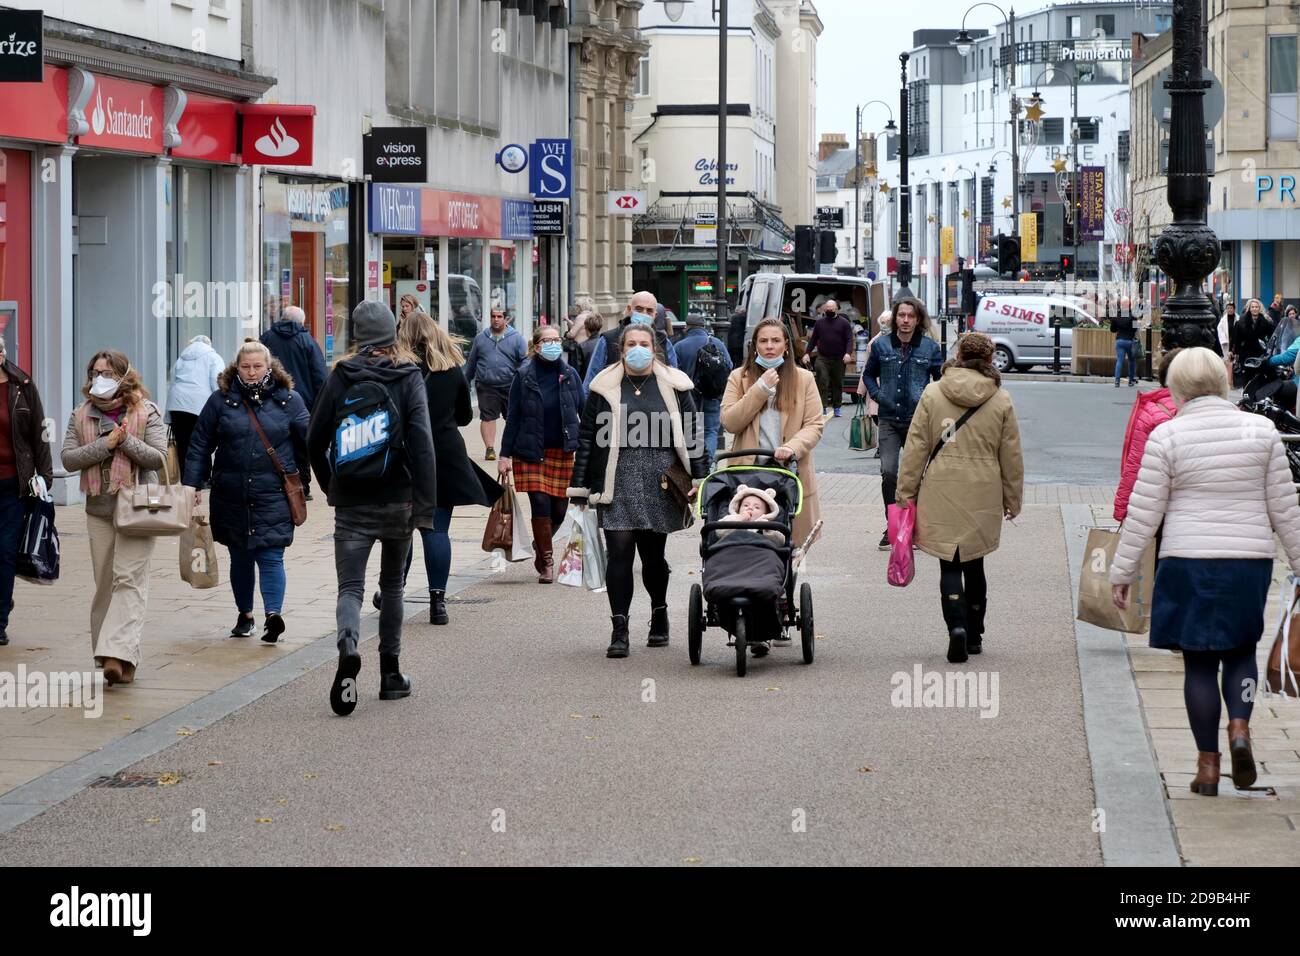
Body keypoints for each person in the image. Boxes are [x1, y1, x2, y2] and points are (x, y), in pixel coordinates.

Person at [1111, 347, 1300, 797]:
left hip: (1187, 562)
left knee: (1198, 664)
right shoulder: (1262, 431)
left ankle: (1208, 766)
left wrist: (1122, 571)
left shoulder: (1167, 436)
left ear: (1176, 385)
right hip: (1249, 563)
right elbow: (1285, 508)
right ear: (1221, 378)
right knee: (1240, 652)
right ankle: (1240, 729)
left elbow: (1144, 512)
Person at [307, 302, 437, 716]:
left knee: (350, 588)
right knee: (393, 587)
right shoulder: (408, 375)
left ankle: (348, 644)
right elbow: (422, 444)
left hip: (350, 499)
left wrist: (331, 486)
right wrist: (425, 505)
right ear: (392, 335)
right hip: (397, 497)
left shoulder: (341, 375)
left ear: (358, 337)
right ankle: (390, 675)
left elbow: (313, 439)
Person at [570, 323, 706, 659]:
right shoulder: (603, 387)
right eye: (631, 343)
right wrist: (580, 486)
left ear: (654, 347)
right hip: (616, 478)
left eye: (643, 343)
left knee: (652, 555)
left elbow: (693, 432)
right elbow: (587, 437)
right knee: (619, 553)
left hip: (660, 478)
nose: (637, 348)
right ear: (621, 348)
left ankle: (659, 613)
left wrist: (701, 476)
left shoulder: (675, 385)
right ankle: (620, 628)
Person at [895, 332, 1024, 664]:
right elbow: (1011, 455)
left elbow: (916, 448)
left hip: (941, 486)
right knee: (975, 561)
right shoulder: (1001, 398)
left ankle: (956, 627)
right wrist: (1013, 498)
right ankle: (976, 632)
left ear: (959, 354)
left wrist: (905, 493)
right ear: (990, 359)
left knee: (948, 562)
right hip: (984, 488)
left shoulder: (934, 393)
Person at [376, 311, 502, 624]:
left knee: (401, 529)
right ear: (435, 333)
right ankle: (438, 602)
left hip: (404, 455)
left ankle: (393, 592)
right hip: (443, 455)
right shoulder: (451, 370)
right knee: (437, 529)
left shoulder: (395, 371)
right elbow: (463, 417)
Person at [184, 341, 310, 643]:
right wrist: (193, 483)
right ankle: (245, 614)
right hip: (231, 493)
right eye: (246, 366)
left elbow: (309, 441)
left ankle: (273, 616)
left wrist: (313, 480)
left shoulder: (289, 401)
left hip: (273, 493)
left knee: (271, 555)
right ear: (235, 367)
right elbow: (200, 443)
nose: (252, 373)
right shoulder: (221, 401)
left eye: (257, 366)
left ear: (270, 367)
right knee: (240, 557)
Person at [60, 350, 168, 685]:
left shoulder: (146, 411)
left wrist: (126, 442)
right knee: (105, 584)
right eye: (94, 372)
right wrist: (106, 444)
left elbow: (158, 459)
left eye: (106, 372)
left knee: (128, 580)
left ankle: (115, 653)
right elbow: (68, 459)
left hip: (139, 506)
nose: (98, 378)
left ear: (123, 376)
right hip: (99, 509)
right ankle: (119, 657)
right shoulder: (80, 415)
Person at [720, 318, 825, 550]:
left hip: (788, 472)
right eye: (763, 341)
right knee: (746, 541)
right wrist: (759, 390)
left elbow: (814, 424)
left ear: (786, 346)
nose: (769, 346)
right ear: (754, 346)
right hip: (748, 473)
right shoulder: (739, 377)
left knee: (787, 542)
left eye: (775, 341)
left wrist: (792, 447)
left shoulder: (803, 379)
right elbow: (729, 421)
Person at [499, 324, 584, 584]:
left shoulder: (569, 374)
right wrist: (503, 455)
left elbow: (584, 409)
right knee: (540, 503)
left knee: (559, 510)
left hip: (561, 451)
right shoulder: (523, 375)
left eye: (557, 339)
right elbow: (513, 417)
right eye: (547, 340)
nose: (553, 344)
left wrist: (590, 448)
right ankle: (547, 562)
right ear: (536, 346)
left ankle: (540, 544)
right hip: (530, 450)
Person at [863, 297, 945, 550]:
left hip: (918, 422)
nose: (906, 320)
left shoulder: (930, 348)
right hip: (888, 419)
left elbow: (940, 380)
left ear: (918, 319)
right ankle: (894, 526)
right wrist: (878, 396)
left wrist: (931, 403)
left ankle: (915, 526)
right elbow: (868, 374)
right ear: (895, 318)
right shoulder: (881, 346)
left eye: (911, 316)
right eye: (902, 315)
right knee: (889, 473)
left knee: (916, 476)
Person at [0, 337, 53, 646]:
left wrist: (45, 477)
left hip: (12, 484)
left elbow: (39, 431)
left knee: (5, 551)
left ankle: (0, 618)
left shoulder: (22, 384)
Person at [261, 306, 327, 499]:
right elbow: (320, 375)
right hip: (302, 403)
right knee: (301, 446)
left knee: (273, 442)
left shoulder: (266, 338)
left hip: (270, 400)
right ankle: (303, 487)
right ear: (301, 322)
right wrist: (320, 404)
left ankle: (277, 482)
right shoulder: (307, 341)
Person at [1114, 349, 1181, 527]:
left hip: (1157, 504)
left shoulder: (1152, 412)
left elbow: (1135, 462)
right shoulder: (1219, 412)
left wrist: (1122, 508)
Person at [582, 291, 680, 391]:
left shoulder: (663, 342)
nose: (644, 314)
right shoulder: (608, 339)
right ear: (629, 309)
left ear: (655, 315)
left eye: (649, 311)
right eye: (639, 309)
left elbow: (674, 380)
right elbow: (591, 381)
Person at [464, 307, 527, 462]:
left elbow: (525, 361)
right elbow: (472, 362)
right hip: (486, 385)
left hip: (509, 385)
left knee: (512, 417)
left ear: (506, 319)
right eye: (493, 316)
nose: (496, 319)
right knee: (488, 417)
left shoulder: (516, 338)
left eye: (500, 316)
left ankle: (513, 446)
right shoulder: (481, 338)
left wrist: (523, 380)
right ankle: (490, 449)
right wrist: (466, 381)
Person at [674, 313, 733, 467]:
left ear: (687, 327)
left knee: (692, 432)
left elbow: (674, 372)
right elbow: (729, 366)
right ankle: (709, 464)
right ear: (704, 326)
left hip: (688, 397)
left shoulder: (679, 346)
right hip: (712, 394)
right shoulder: (717, 343)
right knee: (710, 431)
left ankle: (696, 465)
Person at [165, 334, 223, 471]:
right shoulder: (214, 357)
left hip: (177, 405)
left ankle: (186, 479)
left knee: (182, 442)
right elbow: (217, 382)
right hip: (200, 406)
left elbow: (172, 383)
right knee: (202, 442)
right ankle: (201, 477)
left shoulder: (180, 359)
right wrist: (221, 406)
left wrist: (168, 414)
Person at [802, 299, 855, 416]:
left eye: (832, 308)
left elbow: (849, 339)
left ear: (837, 309)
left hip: (839, 358)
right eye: (827, 308)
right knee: (822, 381)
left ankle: (837, 407)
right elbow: (813, 339)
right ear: (824, 309)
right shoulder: (819, 323)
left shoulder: (844, 323)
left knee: (837, 383)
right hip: (823, 358)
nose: (829, 310)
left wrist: (848, 353)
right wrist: (807, 353)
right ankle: (823, 407)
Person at [858, 311, 892, 461]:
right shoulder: (873, 342)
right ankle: (883, 445)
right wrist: (861, 390)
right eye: (883, 322)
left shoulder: (899, 341)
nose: (885, 325)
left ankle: (883, 446)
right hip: (875, 386)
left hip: (891, 386)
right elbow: (866, 368)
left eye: (888, 322)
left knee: (887, 418)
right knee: (876, 416)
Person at [714, 485, 786, 545]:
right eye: (746, 505)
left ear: (766, 514)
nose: (750, 508)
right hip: (732, 550)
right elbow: (719, 532)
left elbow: (780, 542)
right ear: (738, 509)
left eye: (757, 507)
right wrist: (740, 518)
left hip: (760, 553)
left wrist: (768, 530)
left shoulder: (767, 526)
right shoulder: (732, 519)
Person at [1234, 298, 1274, 369]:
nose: (1254, 309)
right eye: (1252, 307)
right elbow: (1237, 339)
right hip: (1246, 353)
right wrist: (1236, 352)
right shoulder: (1242, 322)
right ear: (1249, 308)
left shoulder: (1266, 322)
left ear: (1259, 308)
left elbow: (1271, 337)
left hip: (1260, 353)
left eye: (1256, 307)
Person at [1111, 310, 1138, 388]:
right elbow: (1135, 329)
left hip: (1120, 341)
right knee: (1131, 361)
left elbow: (1112, 329)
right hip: (1130, 341)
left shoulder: (1116, 316)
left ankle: (1117, 381)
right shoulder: (1133, 316)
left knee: (1119, 360)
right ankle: (1130, 381)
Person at [579, 312, 604, 381]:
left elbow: (577, 370)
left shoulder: (582, 346)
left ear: (586, 328)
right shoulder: (605, 342)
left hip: (587, 383)